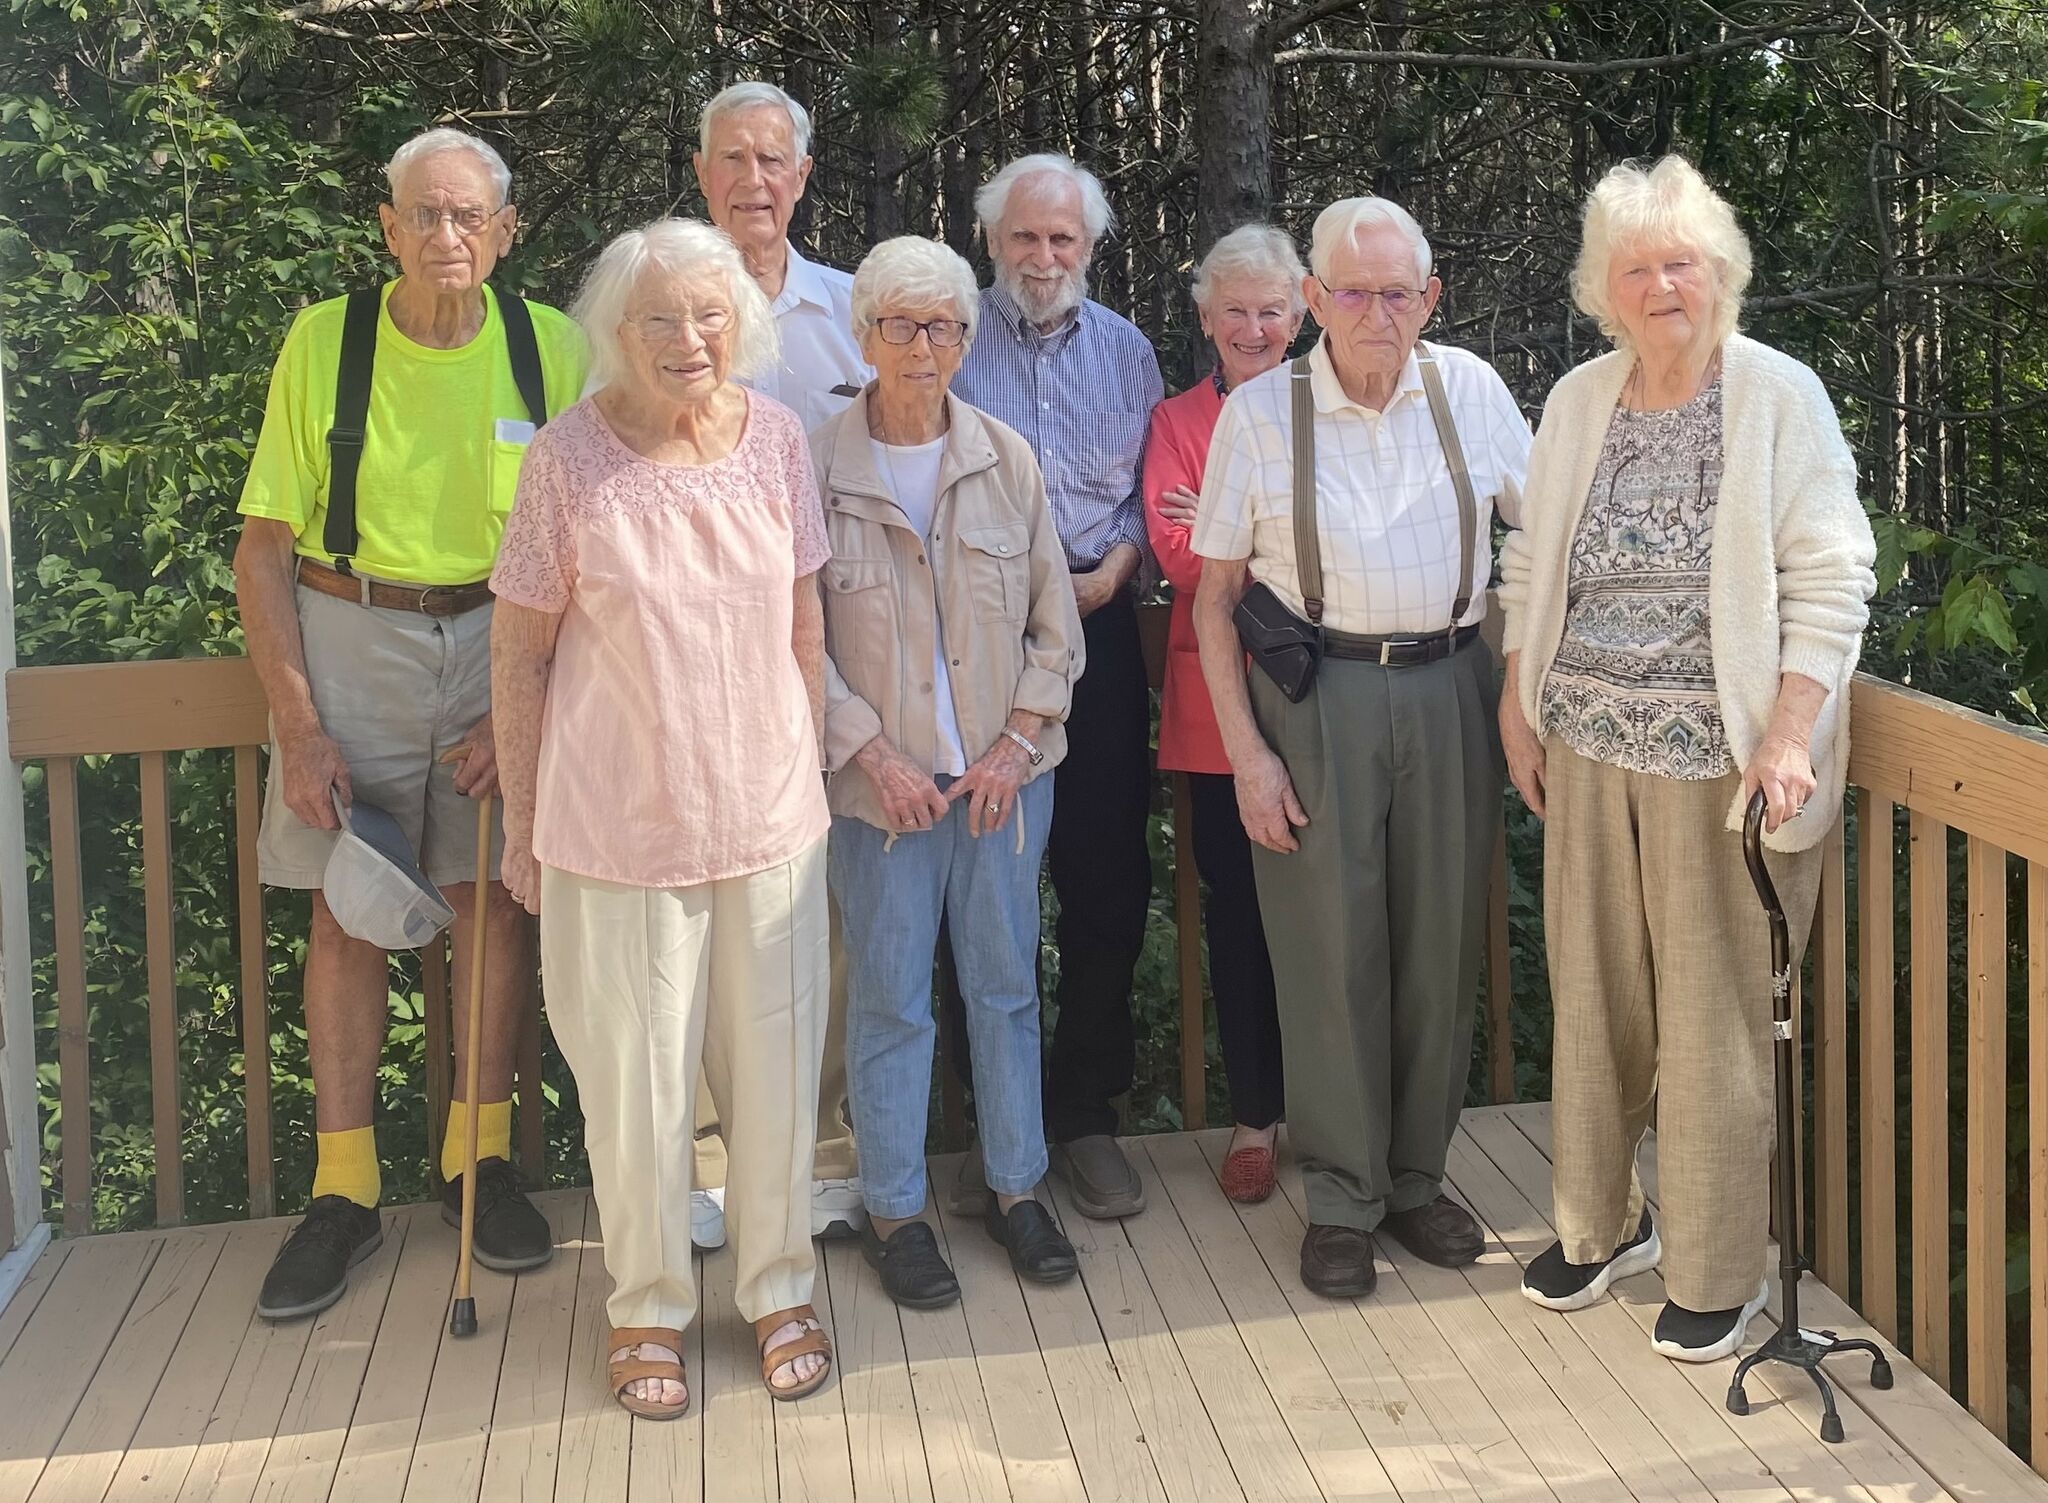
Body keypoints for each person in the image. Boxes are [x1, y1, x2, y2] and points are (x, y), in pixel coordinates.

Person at [1500, 156, 1876, 1362]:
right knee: (1591, 995)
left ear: (1719, 274)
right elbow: (1531, 562)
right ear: (1602, 291)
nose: (1661, 286)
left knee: (1713, 1013)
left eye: (1681, 263)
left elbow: (1831, 575)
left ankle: (1717, 1270)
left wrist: (1788, 731)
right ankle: (1601, 1223)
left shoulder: (1776, 395)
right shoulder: (1578, 399)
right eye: (1635, 268)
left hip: (1720, 762)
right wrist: (1516, 698)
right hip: (1583, 745)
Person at [234, 128, 587, 1322]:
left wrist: (528, 699)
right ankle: (342, 1190)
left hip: (504, 641)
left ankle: (475, 1164)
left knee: (493, 900)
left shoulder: (553, 348)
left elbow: (597, 545)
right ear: (387, 228)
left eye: (467, 215)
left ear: (505, 230)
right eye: (423, 215)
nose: (446, 235)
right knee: (347, 914)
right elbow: (263, 550)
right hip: (351, 631)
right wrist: (298, 726)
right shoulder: (324, 342)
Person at [490, 218, 835, 1417]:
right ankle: (644, 1306)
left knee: (777, 1074)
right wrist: (521, 825)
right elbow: (520, 655)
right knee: (637, 1086)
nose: (688, 339)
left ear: (740, 325)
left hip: (770, 818)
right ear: (615, 331)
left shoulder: (777, 438)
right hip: (618, 829)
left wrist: (809, 771)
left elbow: (804, 627)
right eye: (658, 320)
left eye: (709, 316)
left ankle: (779, 1287)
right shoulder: (565, 459)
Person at [1191, 196, 1532, 1298]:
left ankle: (1416, 1181)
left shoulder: (1470, 388)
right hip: (1316, 699)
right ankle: (1340, 1197)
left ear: (1430, 298)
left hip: (1453, 684)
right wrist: (1248, 756)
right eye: (1352, 291)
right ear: (1312, 299)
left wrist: (1522, 693)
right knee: (1328, 955)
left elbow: (1542, 539)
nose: (1376, 313)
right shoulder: (1260, 414)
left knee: (1438, 944)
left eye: (1397, 293)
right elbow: (1212, 603)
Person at [814, 236, 1085, 1306]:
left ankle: (1016, 1189)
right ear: (864, 336)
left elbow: (1055, 629)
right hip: (880, 792)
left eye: (941, 327)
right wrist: (871, 754)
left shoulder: (1005, 459)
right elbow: (796, 645)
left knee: (1005, 987)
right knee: (889, 1001)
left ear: (966, 342)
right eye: (899, 325)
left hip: (998, 786)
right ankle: (894, 1210)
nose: (921, 348)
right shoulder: (818, 469)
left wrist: (1017, 743)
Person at [950, 152, 1164, 1219]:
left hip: (1096, 630)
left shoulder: (1127, 352)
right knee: (978, 877)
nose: (1044, 257)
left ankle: (1084, 1113)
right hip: (973, 643)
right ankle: (989, 1122)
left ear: (1089, 246)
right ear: (993, 240)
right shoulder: (947, 337)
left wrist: (1118, 567)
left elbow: (1146, 502)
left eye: (1063, 238)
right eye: (1026, 237)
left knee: (1102, 875)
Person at [692, 78, 870, 1244]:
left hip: (837, 643)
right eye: (732, 159)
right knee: (705, 907)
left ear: (802, 177)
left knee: (828, 910)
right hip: (695, 651)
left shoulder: (855, 311)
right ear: (700, 174)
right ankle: (712, 1167)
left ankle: (823, 1156)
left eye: (772, 161)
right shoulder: (661, 306)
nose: (752, 181)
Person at [1142, 225, 1302, 1205]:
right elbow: (1177, 556)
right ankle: (1255, 1117)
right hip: (1214, 714)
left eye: (1270, 310)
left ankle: (1334, 1111)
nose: (1252, 328)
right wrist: (1270, 541)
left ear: (1300, 315)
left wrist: (1221, 521)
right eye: (1233, 310)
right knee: (1238, 922)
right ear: (1205, 318)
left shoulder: (1328, 409)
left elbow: (1335, 553)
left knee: (1333, 918)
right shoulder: (1175, 420)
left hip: (1322, 703)